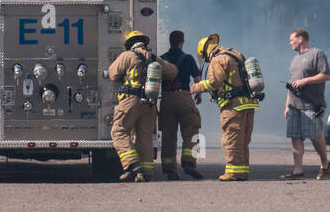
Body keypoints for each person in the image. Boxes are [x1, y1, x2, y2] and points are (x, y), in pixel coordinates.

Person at [107, 31, 177, 182]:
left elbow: (112, 74)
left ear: (129, 44)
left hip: (131, 100)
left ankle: (131, 165)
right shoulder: (153, 58)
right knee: (144, 136)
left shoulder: (127, 56)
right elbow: (173, 71)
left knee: (118, 131)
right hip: (150, 103)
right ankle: (146, 172)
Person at [191, 33, 260, 182]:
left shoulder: (217, 59)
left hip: (233, 106)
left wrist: (196, 87)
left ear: (205, 52)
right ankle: (242, 171)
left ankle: (233, 172)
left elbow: (214, 82)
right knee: (243, 140)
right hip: (248, 103)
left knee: (231, 138)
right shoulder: (237, 55)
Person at [281, 29, 330, 180]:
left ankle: (325, 163)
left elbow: (326, 75)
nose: (290, 43)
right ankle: (297, 170)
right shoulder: (294, 59)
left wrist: (305, 81)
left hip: (312, 104)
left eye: (292, 40)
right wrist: (287, 105)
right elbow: (291, 85)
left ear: (301, 39)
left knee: (315, 135)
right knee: (295, 136)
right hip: (294, 105)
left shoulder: (317, 54)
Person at [159, 29, 204, 180]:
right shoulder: (189, 58)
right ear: (181, 42)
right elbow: (197, 80)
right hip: (184, 97)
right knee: (191, 130)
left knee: (168, 135)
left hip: (166, 99)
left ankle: (170, 170)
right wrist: (198, 94)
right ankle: (189, 163)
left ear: (170, 42)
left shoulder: (161, 59)